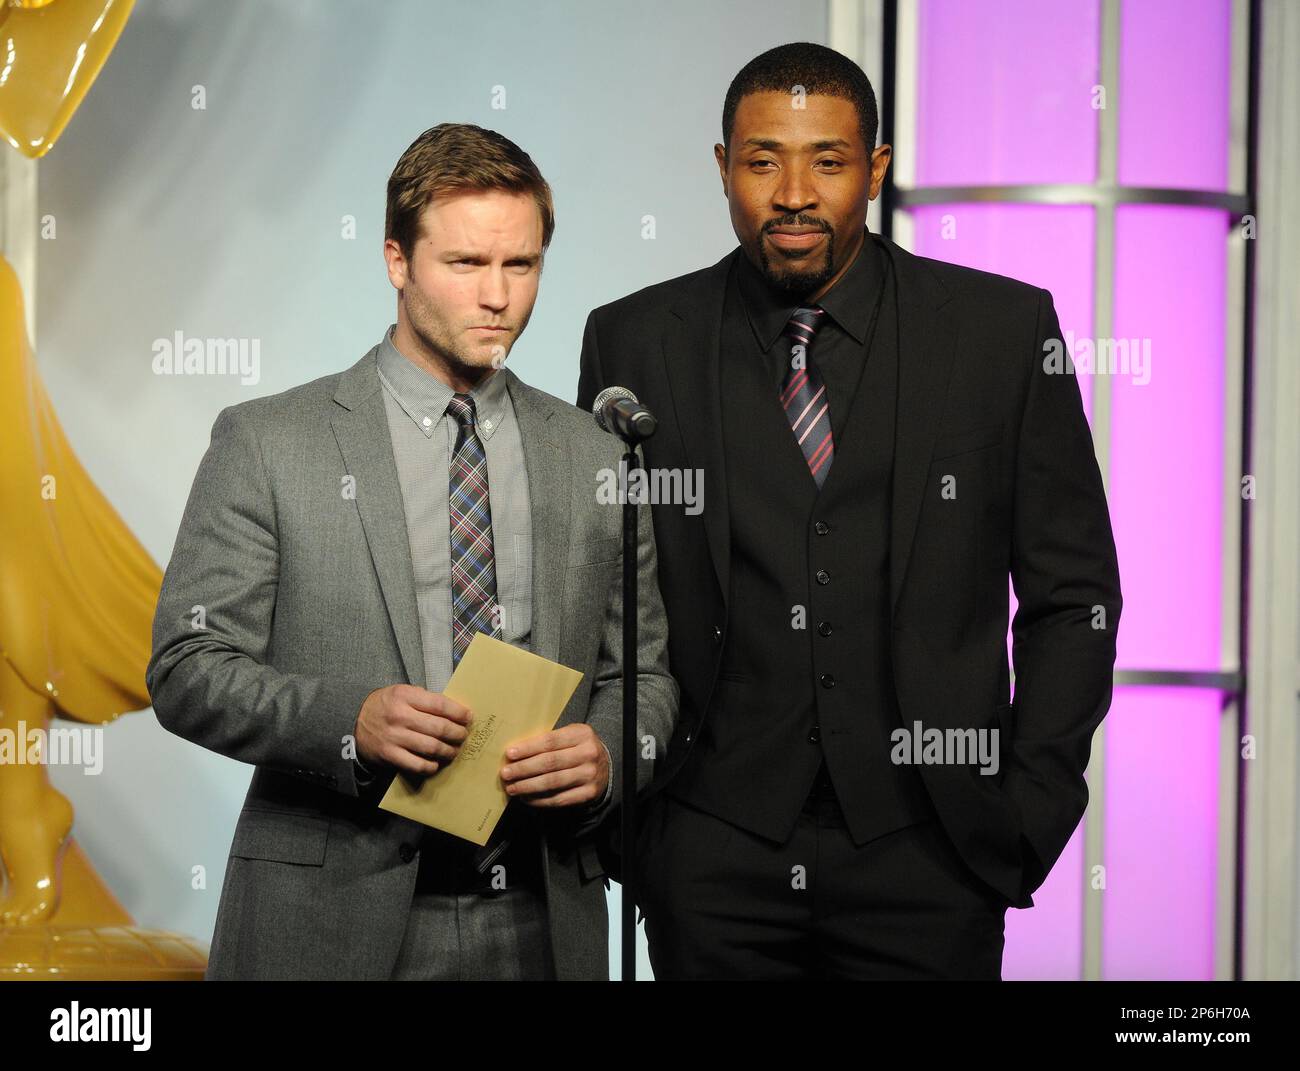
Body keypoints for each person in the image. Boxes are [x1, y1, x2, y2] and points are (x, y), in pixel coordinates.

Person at [577, 42, 1122, 979]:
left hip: (932, 852)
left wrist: (1026, 810)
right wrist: (639, 832)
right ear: (721, 168)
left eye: (827, 160)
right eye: (762, 161)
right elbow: (603, 590)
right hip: (708, 854)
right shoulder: (634, 336)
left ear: (873, 169)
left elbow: (1074, 596)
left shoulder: (1001, 333)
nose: (794, 192)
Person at [148, 122, 677, 981]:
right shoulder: (269, 442)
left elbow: (645, 676)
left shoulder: (597, 456)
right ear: (396, 260)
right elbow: (186, 665)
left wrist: (609, 753)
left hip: (542, 915)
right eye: (465, 264)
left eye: (522, 264)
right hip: (327, 920)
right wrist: (346, 721)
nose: (498, 296)